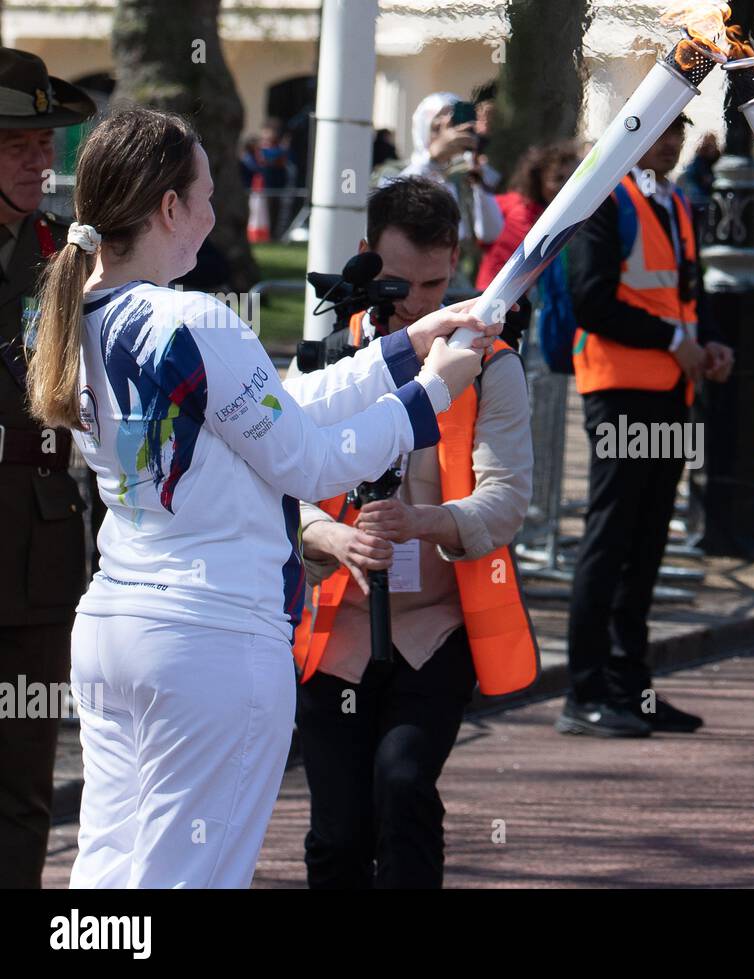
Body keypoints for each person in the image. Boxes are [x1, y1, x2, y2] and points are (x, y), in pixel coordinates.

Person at [27, 106, 496, 888]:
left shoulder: (71, 315)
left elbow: (278, 407)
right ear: (168, 208)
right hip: (212, 639)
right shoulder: (192, 316)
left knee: (110, 874)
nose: (216, 217)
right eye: (207, 197)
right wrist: (432, 395)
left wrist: (403, 349)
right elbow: (310, 463)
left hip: (117, 628)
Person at [291, 176, 534, 889]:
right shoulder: (326, 358)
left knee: (402, 789)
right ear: (366, 255)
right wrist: (334, 540)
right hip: (336, 632)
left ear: (456, 258)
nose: (419, 304)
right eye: (400, 281)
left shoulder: (492, 365)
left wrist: (420, 522)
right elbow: (274, 482)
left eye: (435, 282)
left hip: (437, 630)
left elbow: (508, 500)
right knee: (337, 832)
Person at [560, 114, 734, 736]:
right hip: (620, 390)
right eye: (664, 133)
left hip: (670, 392)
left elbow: (690, 296)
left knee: (647, 542)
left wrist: (710, 342)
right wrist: (675, 340)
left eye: (679, 135)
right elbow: (592, 299)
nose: (673, 144)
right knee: (610, 539)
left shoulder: (676, 204)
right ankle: (583, 693)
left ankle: (632, 688)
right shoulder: (606, 198)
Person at [0, 46, 94, 890]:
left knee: (24, 780)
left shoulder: (64, 260)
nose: (42, 159)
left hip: (36, 556)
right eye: (19, 142)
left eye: (45, 142)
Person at [400, 92, 503, 250]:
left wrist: (478, 181)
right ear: (422, 129)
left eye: (452, 125)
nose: (446, 135)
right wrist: (433, 157)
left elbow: (491, 233)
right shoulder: (399, 171)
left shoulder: (465, 172)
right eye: (437, 127)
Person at [476, 141, 579, 290]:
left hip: (530, 300)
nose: (565, 187)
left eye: (572, 179)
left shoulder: (568, 221)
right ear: (538, 178)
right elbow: (483, 238)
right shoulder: (509, 203)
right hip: (488, 295)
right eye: (558, 179)